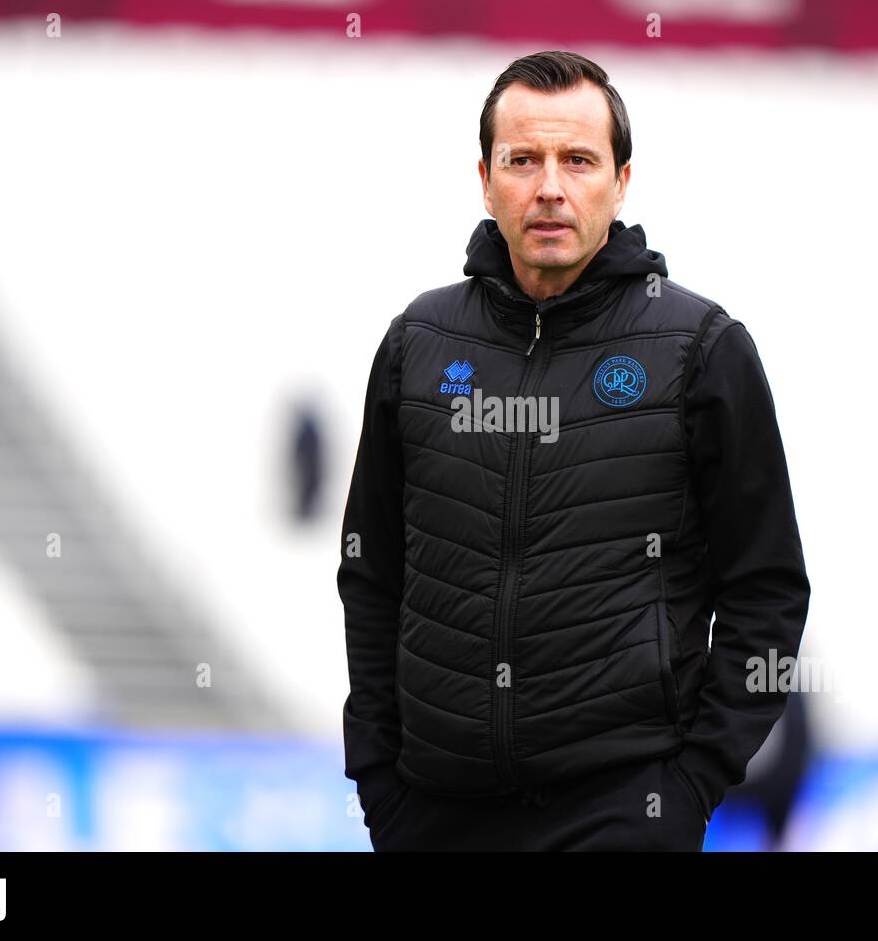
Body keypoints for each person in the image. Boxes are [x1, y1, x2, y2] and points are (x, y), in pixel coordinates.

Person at [338, 50, 811, 851]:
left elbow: (767, 588)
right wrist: (380, 778)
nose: (550, 187)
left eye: (578, 160)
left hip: (622, 814)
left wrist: (693, 782)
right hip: (432, 813)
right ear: (485, 179)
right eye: (523, 160)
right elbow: (371, 572)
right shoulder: (416, 345)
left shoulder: (701, 349)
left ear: (621, 182)